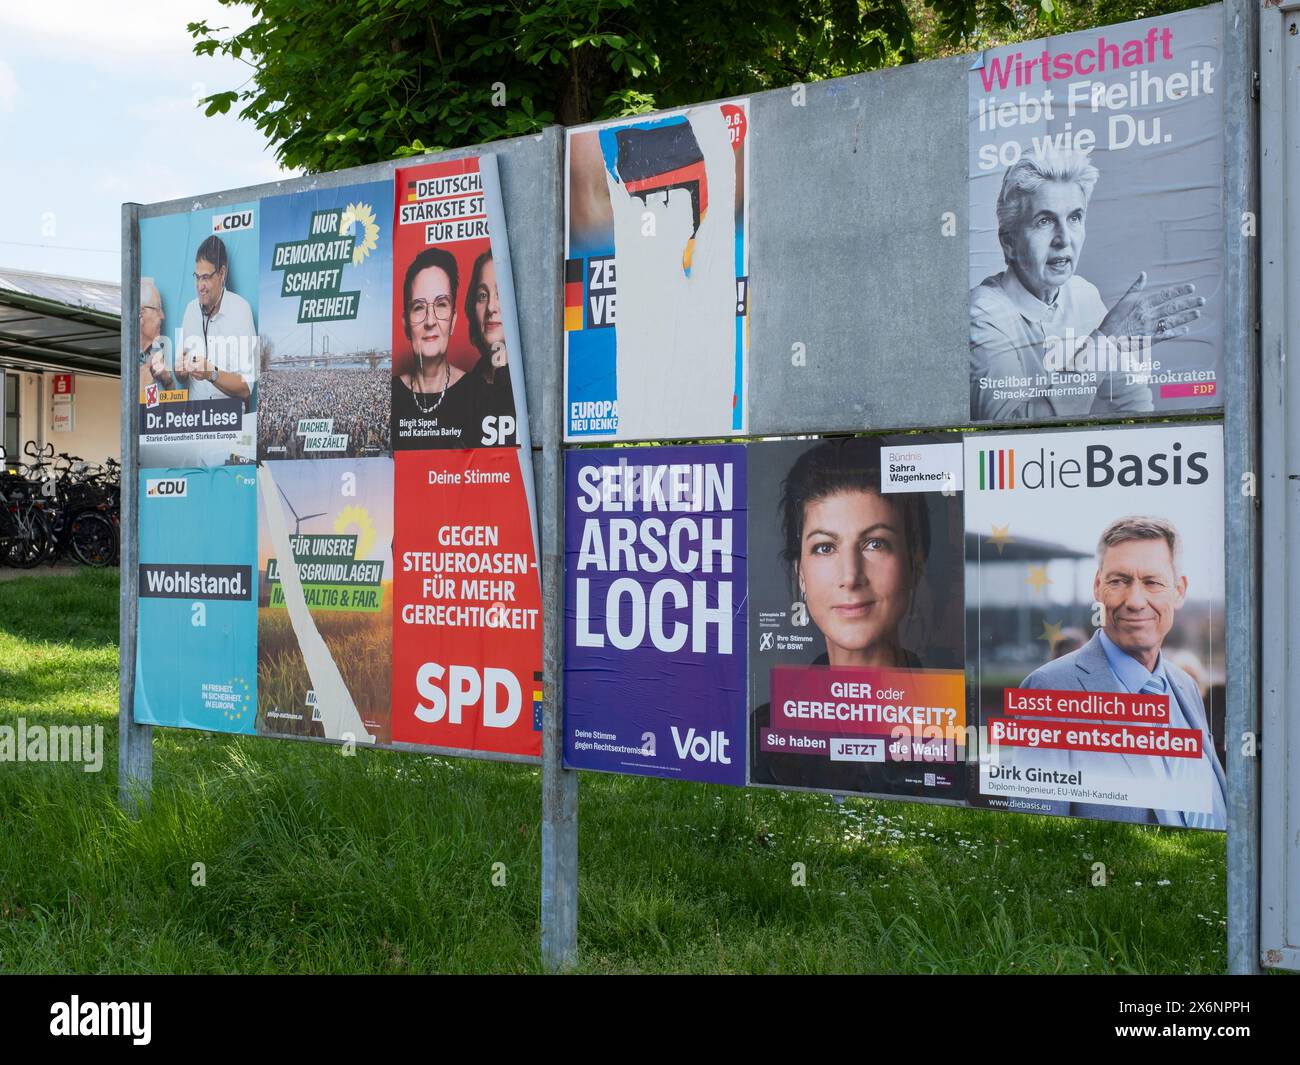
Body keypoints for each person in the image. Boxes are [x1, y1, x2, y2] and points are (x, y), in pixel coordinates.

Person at [751, 439, 947, 794]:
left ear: (914, 563)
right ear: (800, 575)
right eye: (825, 547)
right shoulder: (765, 729)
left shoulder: (957, 720)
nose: (850, 576)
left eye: (875, 543)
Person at [1017, 516, 1227, 829]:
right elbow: (1037, 843)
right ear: (1097, 588)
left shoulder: (1184, 687)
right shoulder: (1051, 689)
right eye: (1119, 581)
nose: (1135, 601)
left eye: (1152, 582)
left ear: (1179, 591)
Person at [970, 144, 1205, 421]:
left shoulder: (1083, 293)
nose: (1064, 239)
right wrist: (1105, 343)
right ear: (1009, 242)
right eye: (1044, 220)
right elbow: (1010, 427)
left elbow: (1131, 403)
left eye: (1074, 217)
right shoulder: (982, 313)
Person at [392, 247, 502, 448]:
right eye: (418, 307)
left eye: (441, 304)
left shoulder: (482, 395)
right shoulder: (389, 396)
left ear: (453, 320)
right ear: (406, 324)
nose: (430, 321)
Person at [177, 235, 256, 407]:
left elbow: (246, 389)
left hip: (230, 424)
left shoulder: (241, 310)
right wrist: (181, 371)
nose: (200, 285)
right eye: (197, 277)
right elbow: (180, 376)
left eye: (205, 277)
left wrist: (211, 373)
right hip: (195, 422)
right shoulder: (190, 310)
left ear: (222, 273)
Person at [138, 276, 179, 397]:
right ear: (140, 313)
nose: (162, 316)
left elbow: (170, 407)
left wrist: (168, 381)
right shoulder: (126, 360)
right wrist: (142, 385)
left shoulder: (156, 352)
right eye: (158, 309)